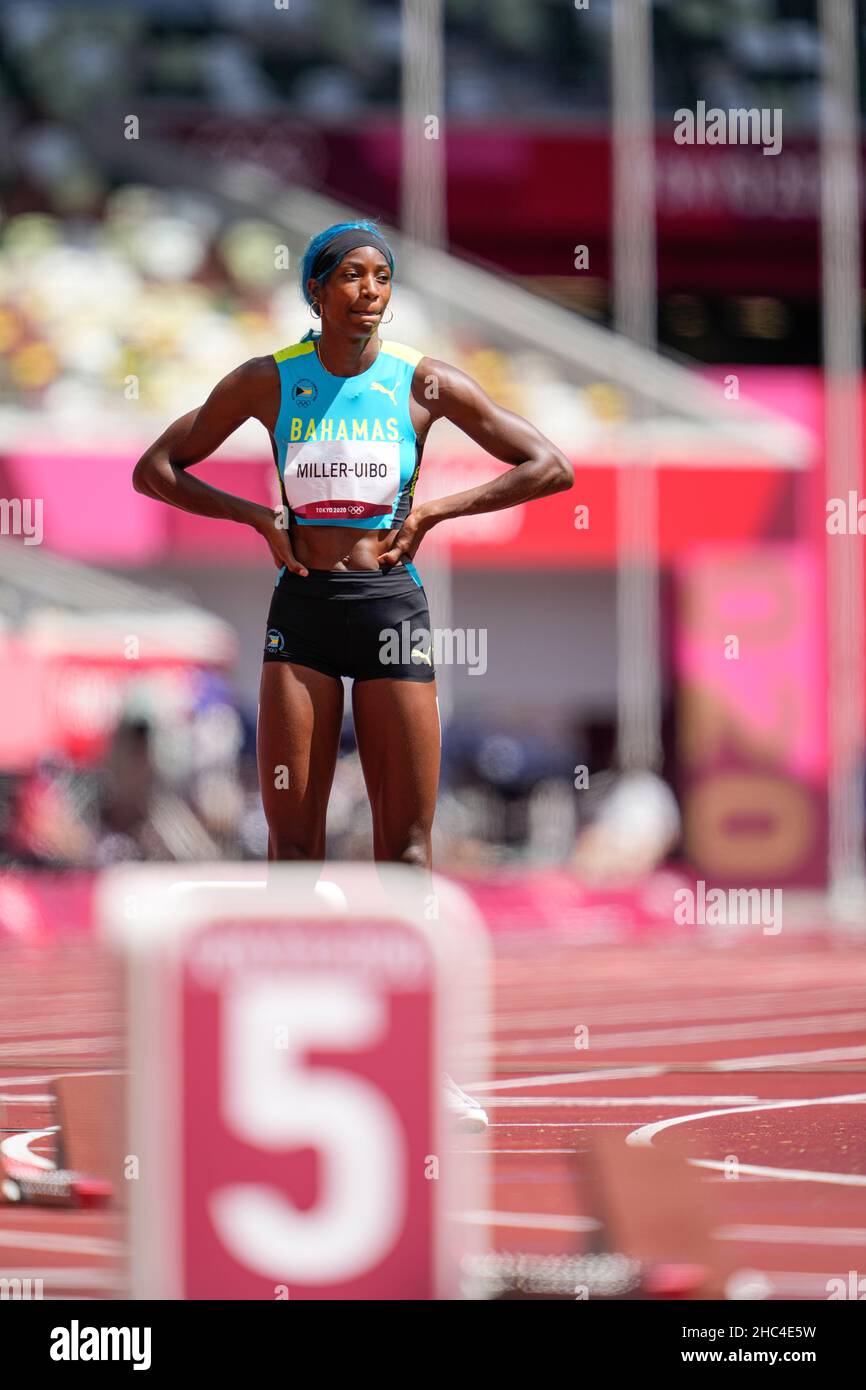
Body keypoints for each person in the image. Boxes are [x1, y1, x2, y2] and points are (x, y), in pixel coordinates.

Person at [133, 219, 573, 1129]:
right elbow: (157, 470)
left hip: (390, 614)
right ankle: (286, 1050)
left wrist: (438, 512)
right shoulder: (269, 379)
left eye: (383, 277)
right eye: (353, 276)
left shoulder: (423, 381)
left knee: (404, 849)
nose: (371, 291)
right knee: (292, 846)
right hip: (301, 616)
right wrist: (258, 519)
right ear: (317, 289)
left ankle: (417, 1063)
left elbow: (549, 466)